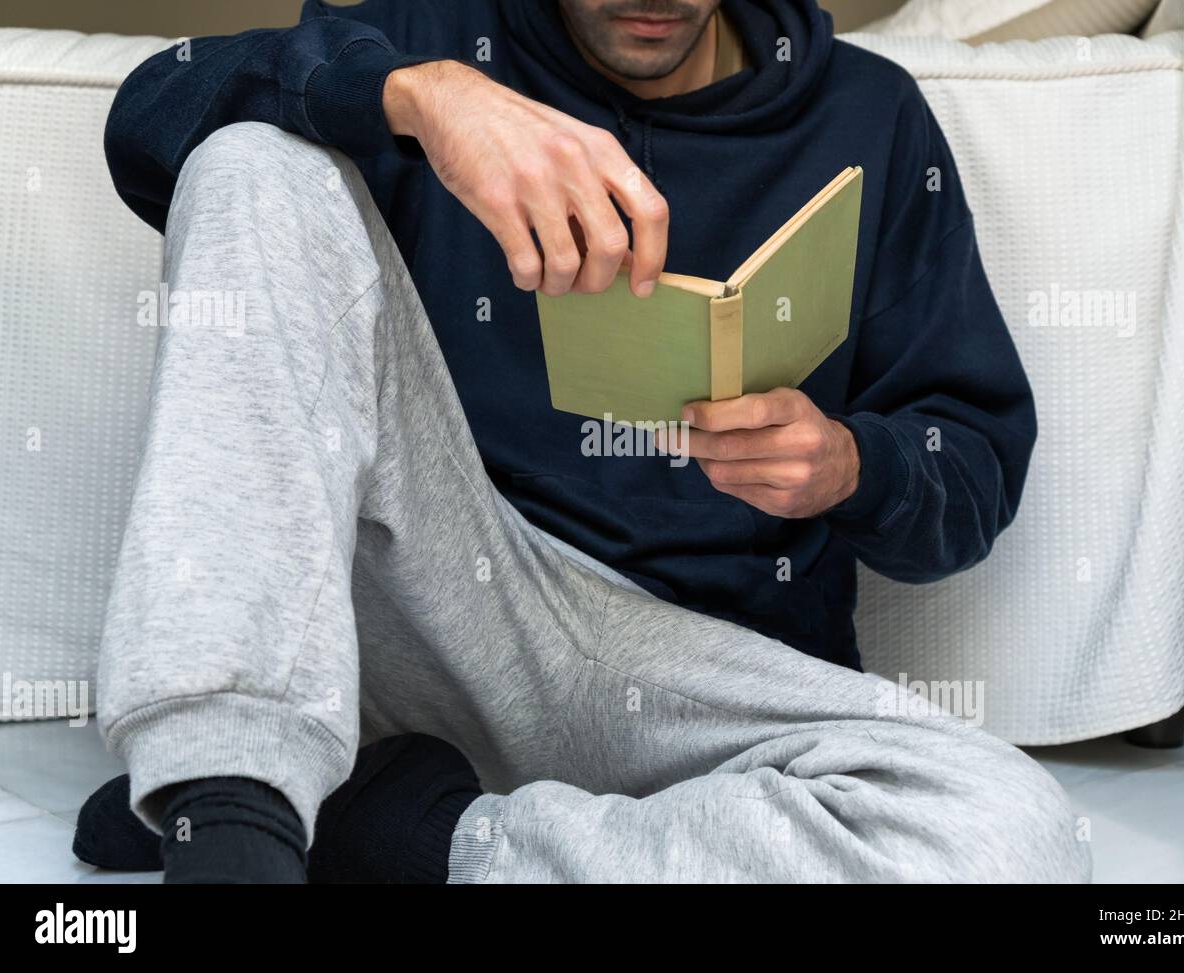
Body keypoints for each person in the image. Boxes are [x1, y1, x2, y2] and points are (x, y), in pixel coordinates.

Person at [73, 0, 1087, 883]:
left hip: (700, 679)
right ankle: (232, 797)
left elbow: (972, 468)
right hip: (451, 599)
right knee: (254, 155)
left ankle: (393, 831)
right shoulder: (440, 43)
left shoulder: (870, 112)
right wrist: (418, 97)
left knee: (1009, 836)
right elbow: (152, 115)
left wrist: (854, 466)